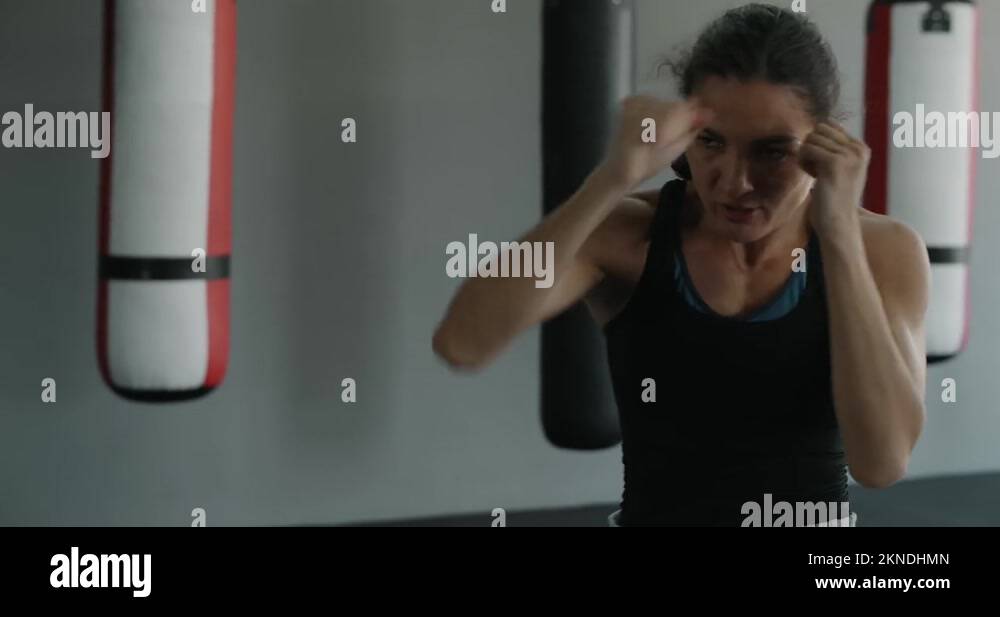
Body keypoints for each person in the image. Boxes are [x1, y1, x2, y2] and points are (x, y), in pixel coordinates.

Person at [433, 4, 929, 526]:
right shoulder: (631, 235)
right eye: (711, 142)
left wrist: (841, 239)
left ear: (824, 148)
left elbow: (882, 462)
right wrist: (613, 176)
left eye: (772, 151)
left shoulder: (883, 248)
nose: (735, 182)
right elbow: (463, 342)